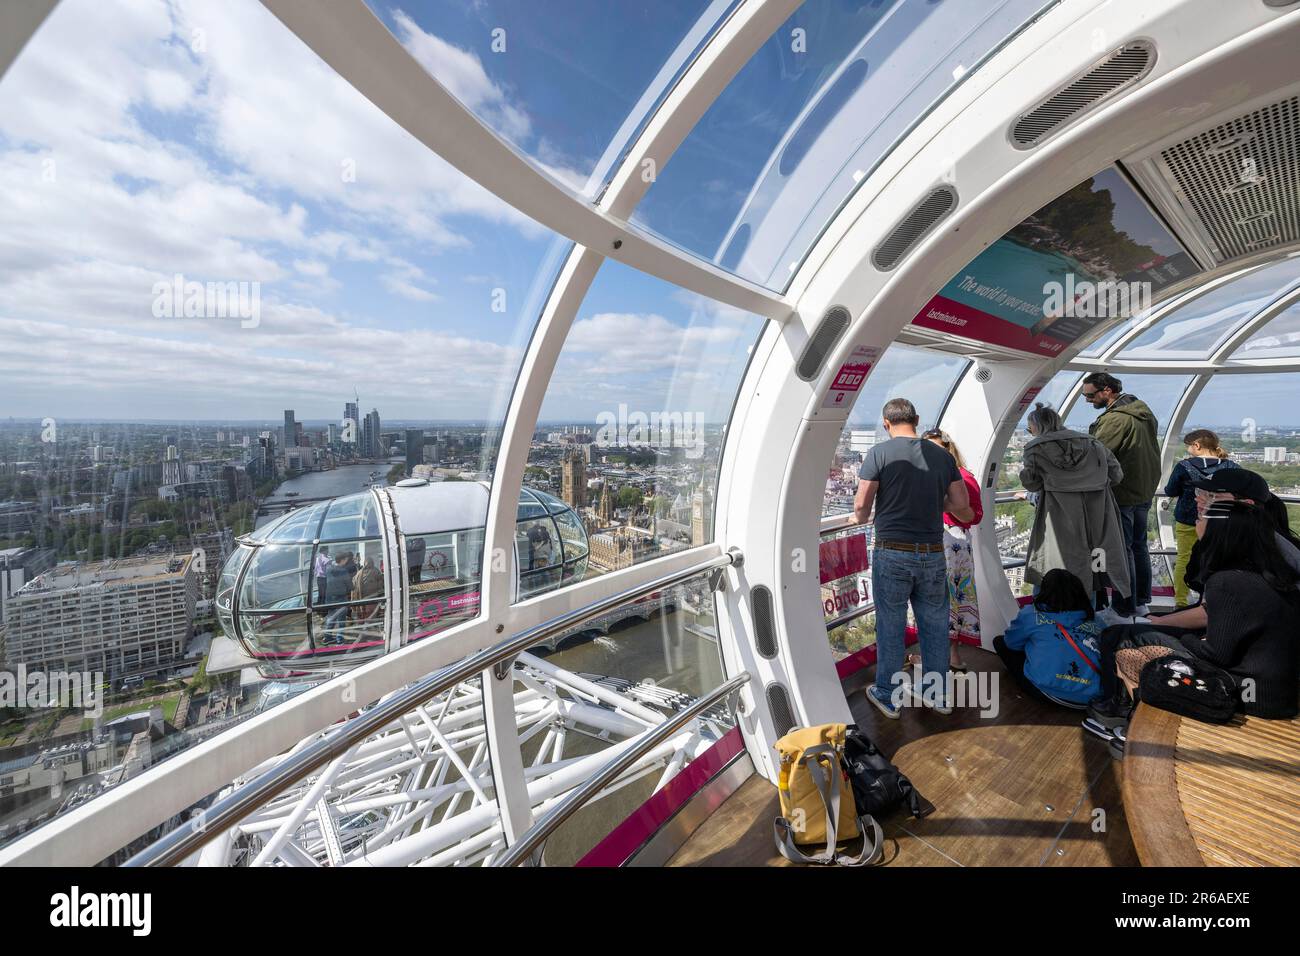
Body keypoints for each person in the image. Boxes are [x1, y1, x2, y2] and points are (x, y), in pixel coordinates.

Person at [1089, 501, 1300, 727]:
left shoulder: (1226, 581)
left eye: (1202, 518)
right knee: (1142, 635)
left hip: (1240, 693)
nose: (1197, 520)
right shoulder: (1273, 574)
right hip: (1276, 693)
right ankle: (1128, 708)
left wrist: (1187, 638)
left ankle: (1119, 713)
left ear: (1219, 530)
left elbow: (1216, 655)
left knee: (1118, 636)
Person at [854, 398, 974, 718]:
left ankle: (889, 695)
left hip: (892, 551)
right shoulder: (941, 455)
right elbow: (961, 504)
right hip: (933, 553)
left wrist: (864, 516)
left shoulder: (879, 453)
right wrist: (935, 504)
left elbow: (862, 506)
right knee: (934, 624)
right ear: (917, 420)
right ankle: (936, 693)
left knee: (890, 625)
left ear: (886, 423)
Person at [1018, 402, 1131, 613]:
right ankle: (1089, 620)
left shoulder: (1035, 449)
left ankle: (1044, 619)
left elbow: (1031, 483)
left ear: (1036, 426)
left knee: (1049, 566)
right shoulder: (1093, 444)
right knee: (1095, 564)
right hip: (1099, 516)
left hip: (1057, 518)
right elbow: (1117, 475)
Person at [1081, 372, 1160, 620]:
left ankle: (1125, 605)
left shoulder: (1116, 420)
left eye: (1090, 395)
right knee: (1138, 547)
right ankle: (1140, 601)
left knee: (1122, 550)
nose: (1087, 401)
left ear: (1107, 391)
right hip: (1143, 490)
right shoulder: (1143, 414)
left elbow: (1096, 454)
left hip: (1123, 493)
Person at [993, 569, 1104, 708]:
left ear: (1043, 590)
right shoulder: (1093, 618)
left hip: (1050, 692)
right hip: (1093, 694)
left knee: (1000, 642)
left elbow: (1010, 643)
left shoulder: (1031, 614)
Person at [921, 428, 983, 671]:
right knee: (951, 600)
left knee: (942, 600)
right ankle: (950, 658)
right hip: (950, 545)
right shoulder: (953, 475)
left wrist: (947, 501)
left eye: (938, 448)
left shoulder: (960, 478)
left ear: (949, 449)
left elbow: (974, 516)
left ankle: (938, 661)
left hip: (950, 545)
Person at [1163, 429, 1237, 608]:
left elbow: (1171, 490)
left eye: (1188, 445)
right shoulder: (1230, 466)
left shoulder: (1185, 466)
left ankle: (1181, 601)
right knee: (1216, 558)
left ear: (1196, 445)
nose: (1187, 449)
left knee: (1184, 559)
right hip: (1218, 520)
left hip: (1188, 519)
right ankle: (1209, 600)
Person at [322, 551, 355, 645]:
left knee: (331, 617)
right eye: (346, 560)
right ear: (343, 560)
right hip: (340, 598)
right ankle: (340, 640)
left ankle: (327, 637)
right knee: (341, 620)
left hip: (329, 598)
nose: (346, 562)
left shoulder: (328, 568)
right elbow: (350, 586)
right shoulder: (343, 571)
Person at [352, 555, 384, 624]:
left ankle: (364, 628)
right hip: (371, 599)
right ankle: (368, 629)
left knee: (363, 616)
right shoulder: (375, 571)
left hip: (360, 599)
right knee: (370, 618)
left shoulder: (359, 573)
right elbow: (380, 586)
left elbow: (353, 585)